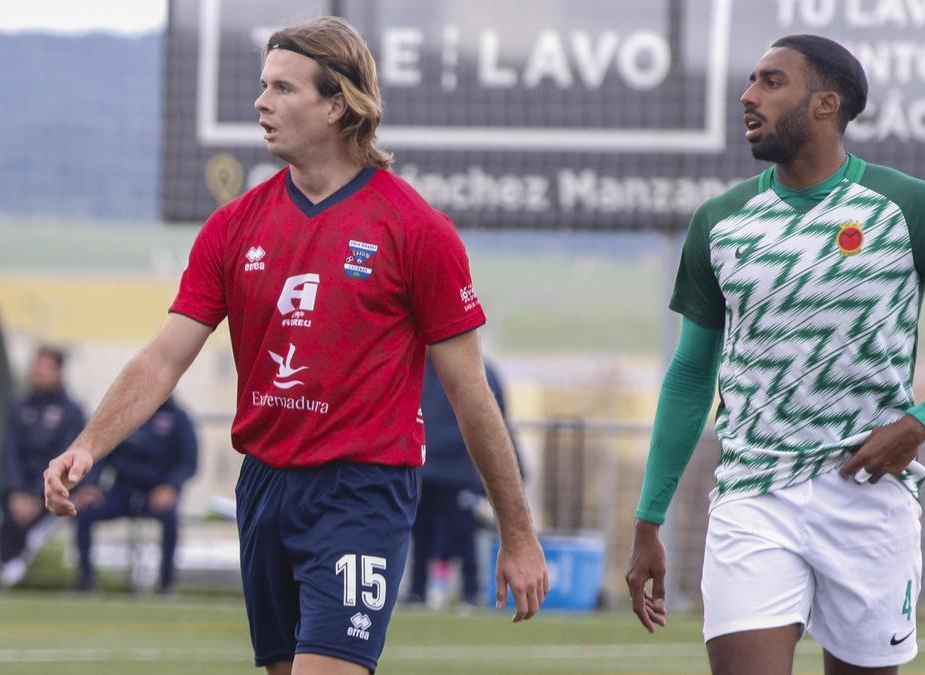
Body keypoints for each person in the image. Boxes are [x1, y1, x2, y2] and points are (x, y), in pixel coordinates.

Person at [42, 16, 547, 675]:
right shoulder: (233, 227)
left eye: (282, 88)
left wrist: (518, 531)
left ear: (338, 104)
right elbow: (164, 357)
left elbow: (470, 392)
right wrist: (87, 445)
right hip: (265, 488)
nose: (261, 102)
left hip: (362, 491)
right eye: (262, 85)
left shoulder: (415, 229)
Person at [626, 35, 925, 675]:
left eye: (771, 82)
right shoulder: (721, 221)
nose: (748, 96)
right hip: (752, 495)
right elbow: (689, 376)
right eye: (750, 81)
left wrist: (917, 426)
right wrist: (649, 517)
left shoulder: (910, 208)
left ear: (826, 104)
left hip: (869, 495)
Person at [408, 355, 512, 609]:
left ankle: (469, 593)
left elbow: (498, 420)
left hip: (461, 470)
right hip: (424, 467)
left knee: (463, 533)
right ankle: (417, 592)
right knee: (420, 532)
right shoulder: (416, 364)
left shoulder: (481, 371)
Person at [0, 346, 85, 588]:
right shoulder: (19, 407)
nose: (38, 372)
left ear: (59, 372)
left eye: (45, 367)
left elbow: (64, 456)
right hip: (17, 492)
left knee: (30, 529)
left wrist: (38, 494)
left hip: (50, 491)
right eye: (36, 366)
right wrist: (18, 490)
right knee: (6, 519)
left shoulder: (72, 413)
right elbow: (10, 451)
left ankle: (4, 575)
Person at [74, 397, 198, 592]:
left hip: (156, 493)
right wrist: (91, 484)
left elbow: (189, 462)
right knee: (84, 510)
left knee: (170, 518)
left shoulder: (179, 418)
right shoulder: (126, 415)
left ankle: (166, 585)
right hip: (122, 490)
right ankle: (86, 581)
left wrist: (171, 486)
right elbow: (102, 452)